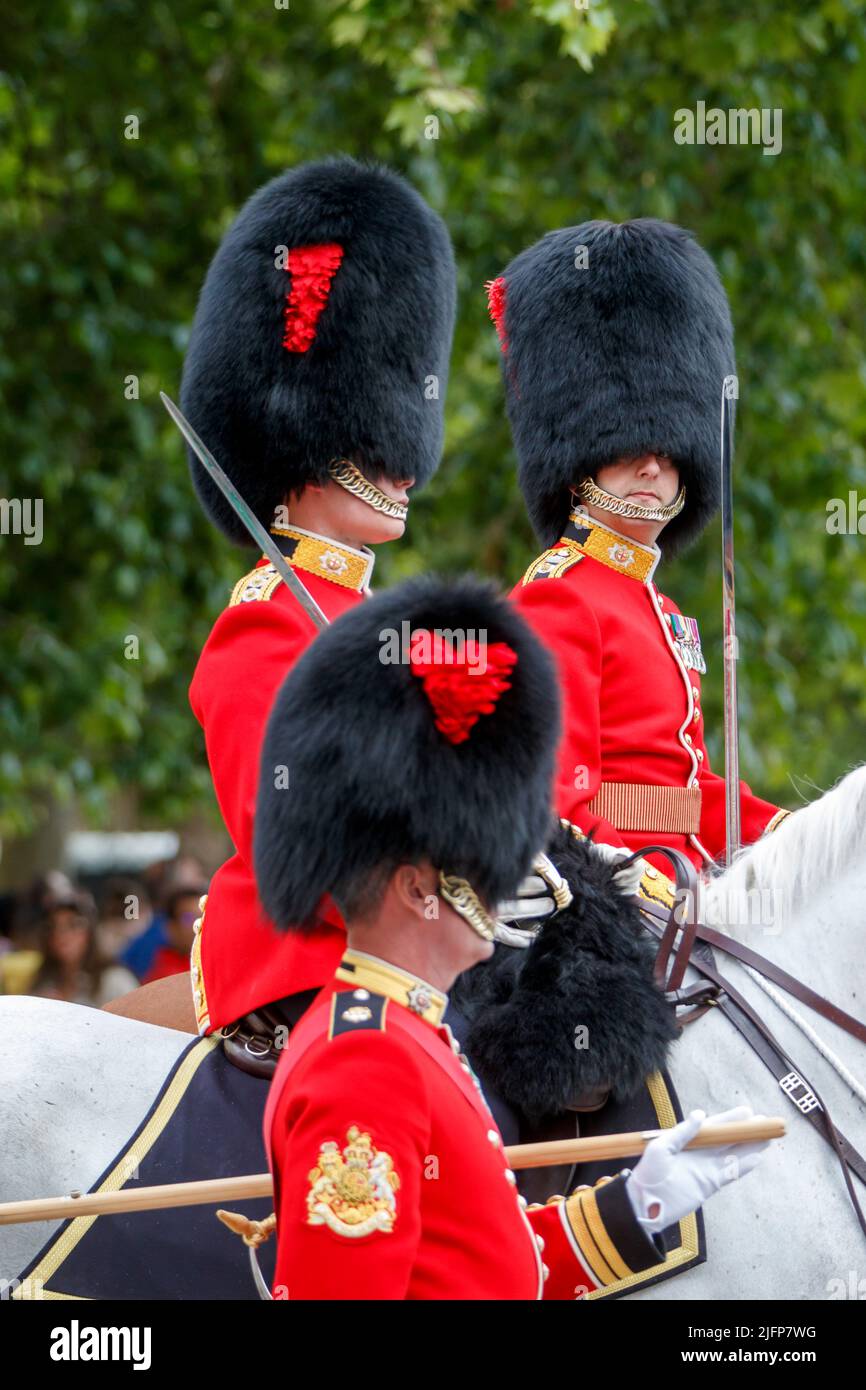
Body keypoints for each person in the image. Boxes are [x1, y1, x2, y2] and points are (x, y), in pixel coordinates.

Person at [255, 574, 770, 1299]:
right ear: (416, 889)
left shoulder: (412, 1037)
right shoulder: (364, 1064)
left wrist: (642, 1202)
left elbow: (492, 1266)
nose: (513, 881)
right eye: (482, 863)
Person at [113, 158, 456, 1035]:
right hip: (305, 969)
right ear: (311, 451)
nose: (406, 468)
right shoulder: (267, 617)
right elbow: (287, 830)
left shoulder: (379, 622)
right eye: (379, 445)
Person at [488, 219, 789, 883]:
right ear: (579, 465)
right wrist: (645, 882)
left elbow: (698, 795)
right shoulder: (557, 597)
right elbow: (552, 800)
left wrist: (807, 837)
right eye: (629, 450)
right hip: (605, 902)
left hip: (685, 893)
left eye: (669, 452)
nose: (653, 468)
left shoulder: (664, 611)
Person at [28, 888, 137, 1007]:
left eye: (74, 924)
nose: (62, 934)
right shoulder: (44, 981)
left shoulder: (115, 981)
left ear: (91, 931)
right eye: (53, 926)